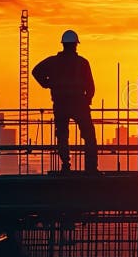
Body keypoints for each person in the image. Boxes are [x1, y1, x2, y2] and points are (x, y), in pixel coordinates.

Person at [32, 30, 98, 174]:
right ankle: (91, 168)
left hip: (61, 104)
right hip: (79, 104)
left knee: (62, 135)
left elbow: (35, 71)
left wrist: (47, 83)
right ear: (75, 45)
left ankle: (66, 165)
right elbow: (91, 86)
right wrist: (87, 100)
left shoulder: (53, 62)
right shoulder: (82, 63)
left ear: (63, 45)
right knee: (89, 135)